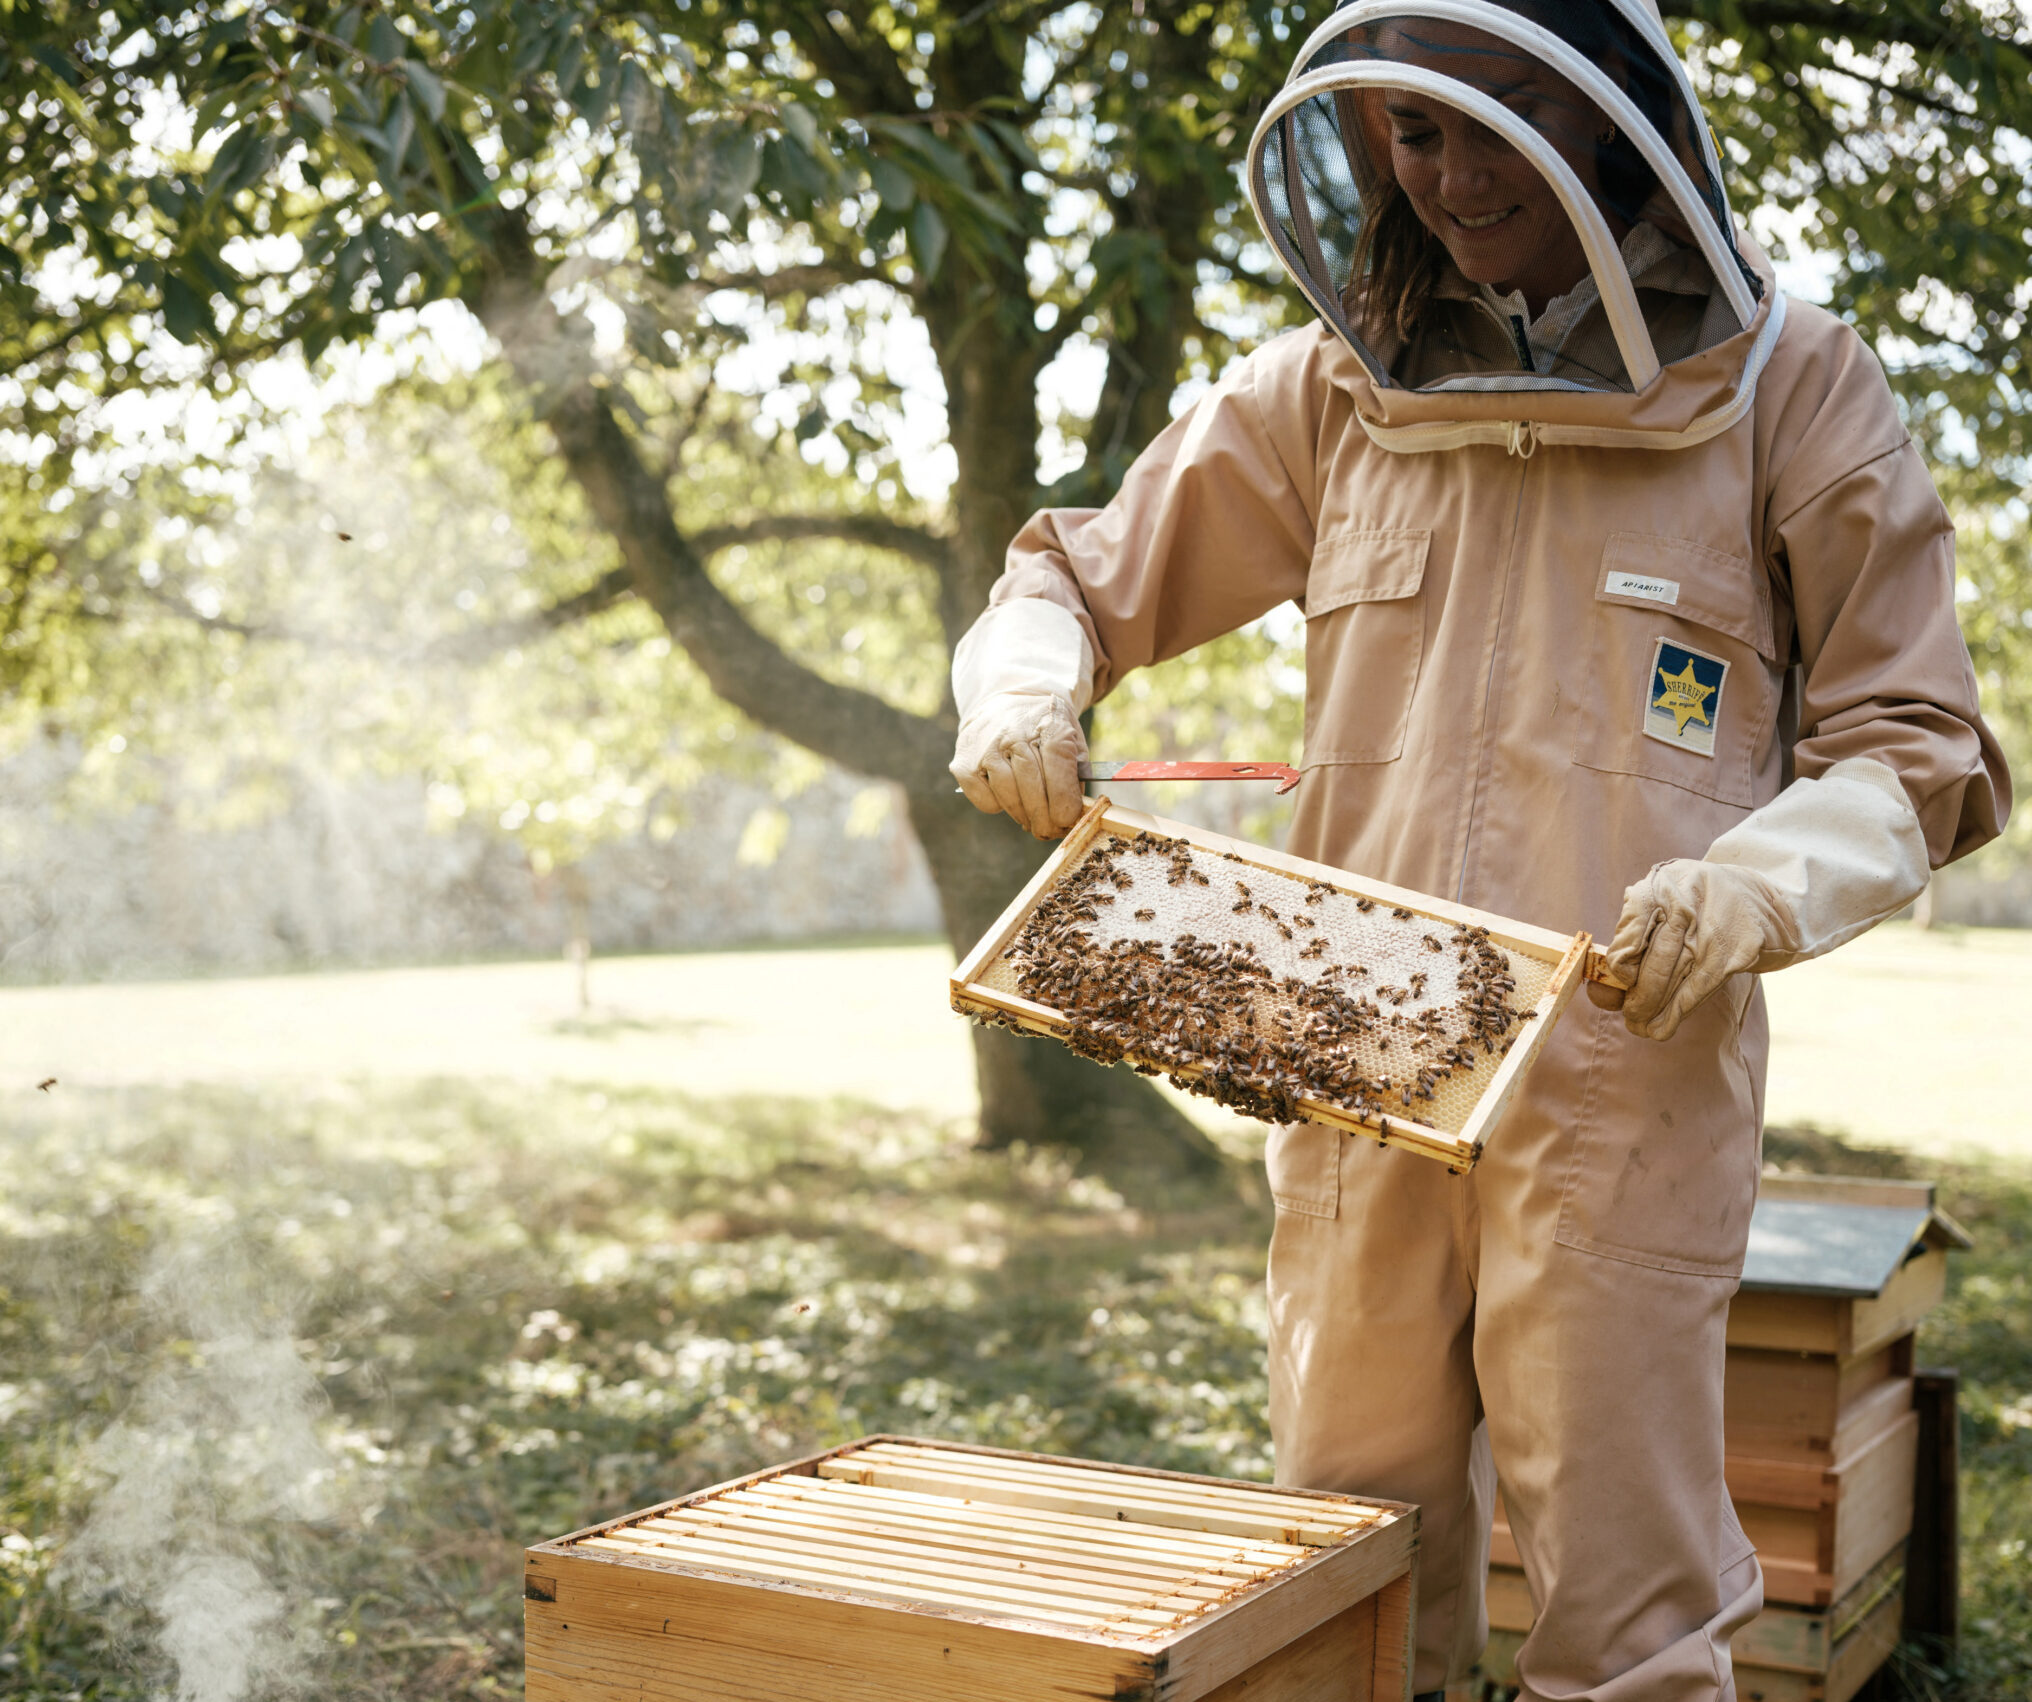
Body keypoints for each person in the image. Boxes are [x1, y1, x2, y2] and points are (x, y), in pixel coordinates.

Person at [947, 2, 2012, 1698]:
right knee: (1345, 1561)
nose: (1447, 173)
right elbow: (1073, 575)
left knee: (1630, 1602)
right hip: (1348, 1049)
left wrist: (1753, 886)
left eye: (1497, 115)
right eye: (1413, 132)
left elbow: (1918, 746)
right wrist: (1023, 685)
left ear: (1618, 119)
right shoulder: (1329, 392)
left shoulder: (1792, 389)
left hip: (1621, 1076)